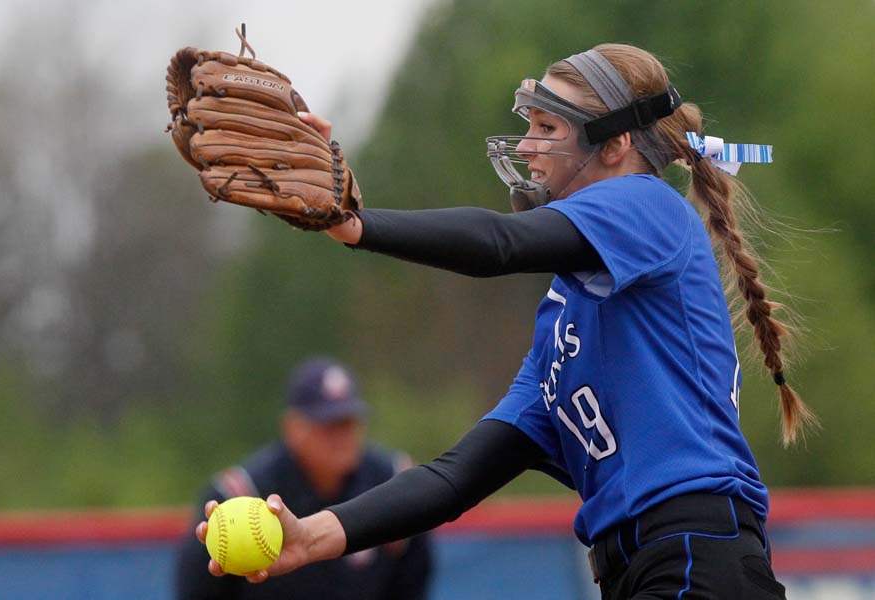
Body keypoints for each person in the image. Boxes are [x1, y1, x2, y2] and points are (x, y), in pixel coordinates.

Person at [195, 44, 817, 599]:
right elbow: (455, 476)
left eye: (548, 127)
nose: (525, 146)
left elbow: (500, 244)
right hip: (653, 567)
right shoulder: (563, 321)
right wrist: (312, 536)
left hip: (693, 555)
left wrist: (355, 223)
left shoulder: (649, 206)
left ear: (615, 145)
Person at [175, 357, 432, 600]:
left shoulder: (392, 482)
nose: (342, 436)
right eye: (329, 424)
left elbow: (411, 585)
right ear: (292, 427)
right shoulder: (240, 493)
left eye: (349, 422)